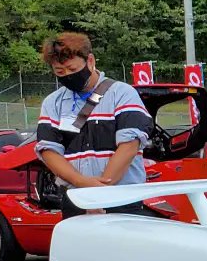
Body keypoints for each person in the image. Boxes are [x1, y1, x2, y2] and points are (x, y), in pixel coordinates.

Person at [34, 32, 153, 217]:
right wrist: (81, 182)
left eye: (72, 69)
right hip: (74, 199)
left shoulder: (122, 93)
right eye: (59, 72)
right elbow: (49, 151)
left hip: (122, 199)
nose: (67, 76)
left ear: (90, 61)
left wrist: (102, 188)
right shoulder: (52, 103)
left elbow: (130, 144)